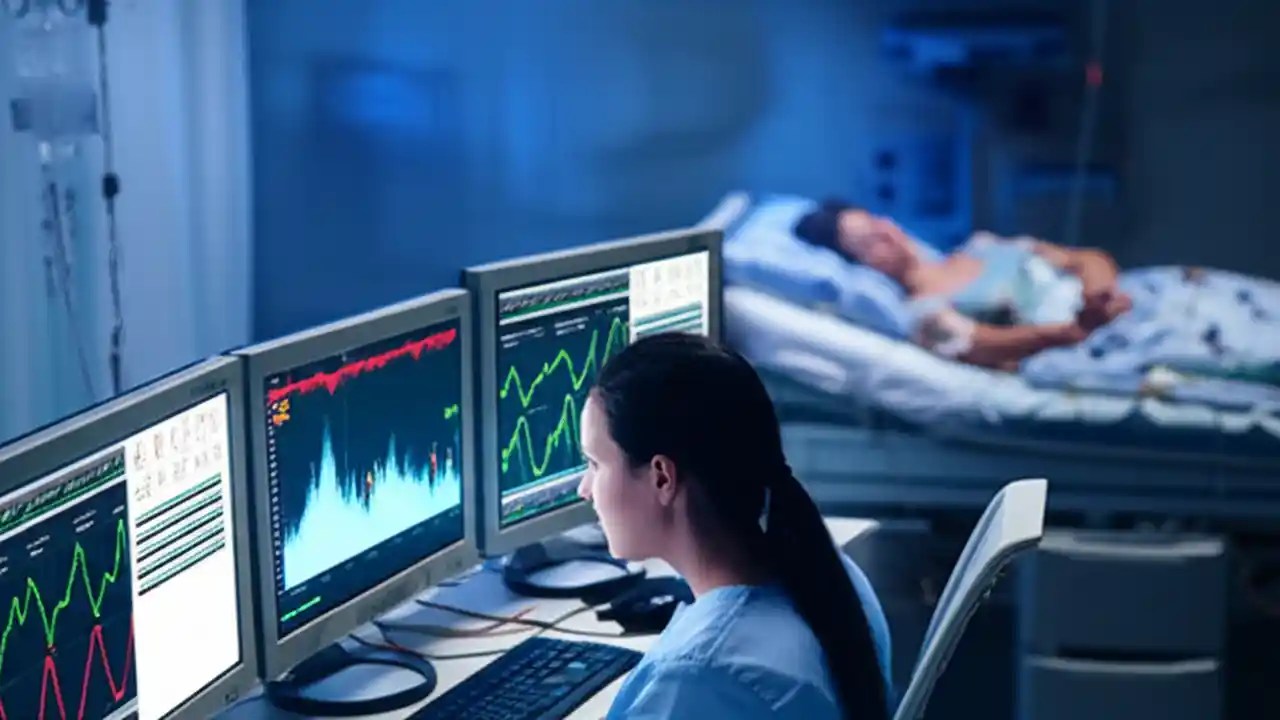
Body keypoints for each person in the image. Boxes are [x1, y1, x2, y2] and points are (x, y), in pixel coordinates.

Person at [579, 333, 893, 719]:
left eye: (595, 464)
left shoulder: (699, 677)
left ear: (663, 477)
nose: (585, 490)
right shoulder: (835, 579)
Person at [794, 199, 1134, 370]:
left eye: (875, 222)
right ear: (864, 268)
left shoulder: (982, 246)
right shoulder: (925, 315)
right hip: (1094, 346)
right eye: (868, 243)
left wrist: (1098, 292)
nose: (885, 235)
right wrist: (1077, 328)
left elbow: (1086, 259)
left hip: (1127, 299)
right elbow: (989, 345)